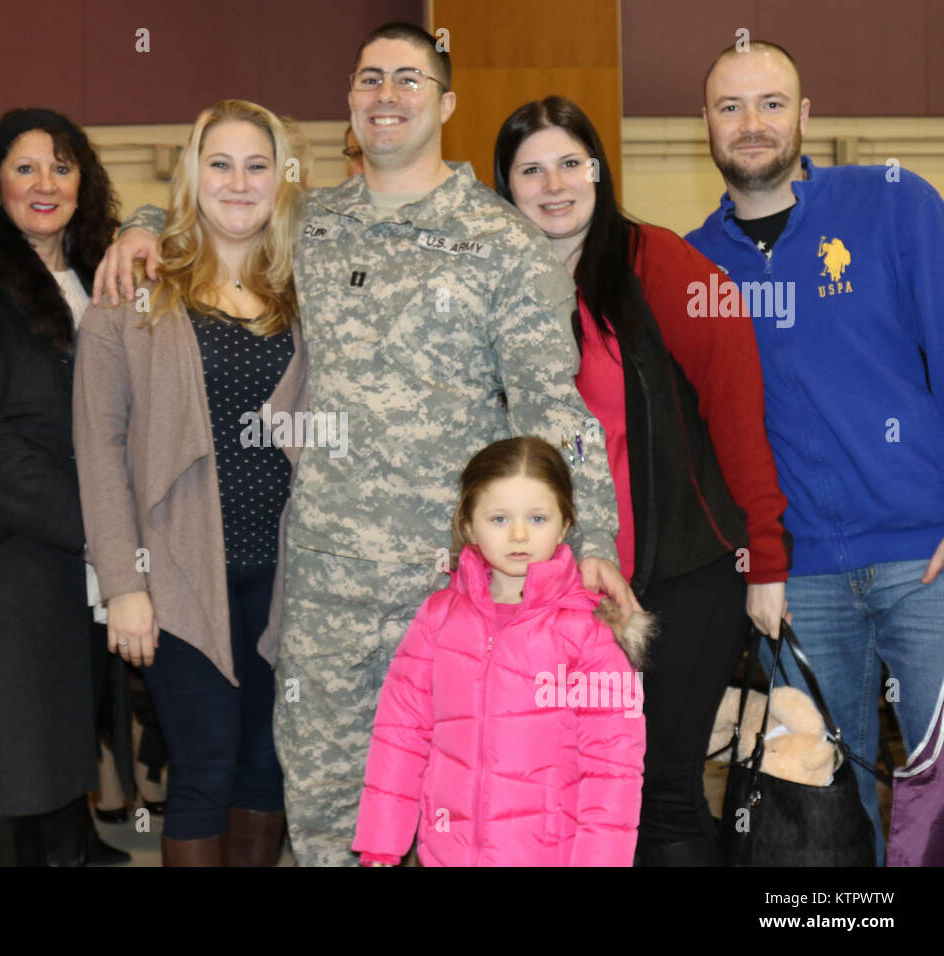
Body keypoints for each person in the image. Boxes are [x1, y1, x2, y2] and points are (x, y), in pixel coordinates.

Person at [94, 21, 633, 867]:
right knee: (329, 820)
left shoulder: (502, 244)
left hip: (455, 586)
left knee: (461, 805)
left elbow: (551, 408)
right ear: (350, 102)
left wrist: (593, 538)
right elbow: (218, 208)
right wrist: (143, 222)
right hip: (322, 596)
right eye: (370, 79)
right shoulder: (308, 227)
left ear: (447, 102)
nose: (387, 95)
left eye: (409, 80)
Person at [492, 97, 791, 865]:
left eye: (571, 163)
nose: (554, 184)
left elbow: (738, 414)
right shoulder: (491, 288)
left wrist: (765, 557)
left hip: (682, 579)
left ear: (599, 170)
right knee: (574, 794)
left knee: (660, 794)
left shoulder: (665, 266)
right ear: (507, 185)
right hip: (555, 593)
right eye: (531, 169)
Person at [687, 41, 944, 863]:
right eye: (730, 106)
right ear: (706, 126)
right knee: (816, 799)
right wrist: (753, 563)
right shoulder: (695, 265)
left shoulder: (896, 206)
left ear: (804, 115)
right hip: (797, 579)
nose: (751, 123)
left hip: (923, 556)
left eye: (770, 103)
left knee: (937, 787)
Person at [75, 99, 309, 866]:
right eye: (220, 163)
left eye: (256, 165)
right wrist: (125, 584)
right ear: (191, 175)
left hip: (288, 578)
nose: (238, 183)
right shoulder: (133, 295)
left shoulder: (309, 292)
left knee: (268, 769)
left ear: (281, 179)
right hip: (177, 579)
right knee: (202, 769)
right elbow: (99, 450)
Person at [0, 108, 129, 866]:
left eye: (64, 166)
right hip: (5, 558)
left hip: (87, 567)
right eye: (26, 167)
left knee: (63, 761)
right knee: (7, 766)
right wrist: (99, 524)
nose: (47, 183)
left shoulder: (98, 272)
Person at [353, 437, 648, 866]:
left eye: (538, 517)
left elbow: (612, 770)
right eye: (498, 518)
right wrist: (383, 840)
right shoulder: (438, 618)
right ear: (468, 525)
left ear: (565, 524)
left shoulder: (589, 635)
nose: (519, 534)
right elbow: (400, 734)